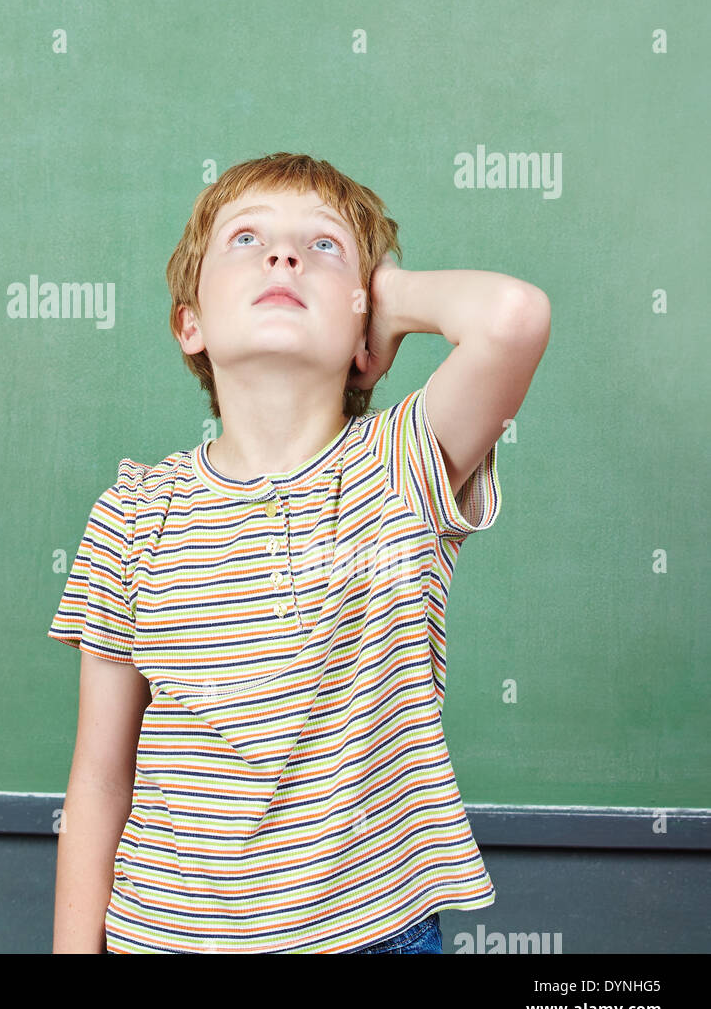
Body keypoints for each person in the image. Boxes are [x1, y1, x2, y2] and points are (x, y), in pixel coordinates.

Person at [48, 151, 551, 954]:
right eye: (246, 240)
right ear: (192, 323)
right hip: (161, 938)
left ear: (365, 332)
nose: (283, 255)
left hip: (368, 939)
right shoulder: (136, 513)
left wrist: (383, 301)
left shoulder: (402, 468)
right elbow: (100, 776)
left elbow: (513, 317)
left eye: (323, 248)